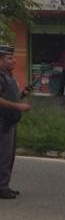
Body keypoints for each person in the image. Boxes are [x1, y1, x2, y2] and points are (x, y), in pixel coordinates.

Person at [0, 44, 34, 200]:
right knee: (4, 155)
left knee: (9, 155)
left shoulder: (9, 76)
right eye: (9, 58)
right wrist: (18, 106)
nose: (13, 61)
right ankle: (2, 187)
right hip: (3, 121)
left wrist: (23, 94)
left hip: (10, 121)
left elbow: (10, 97)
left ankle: (4, 185)